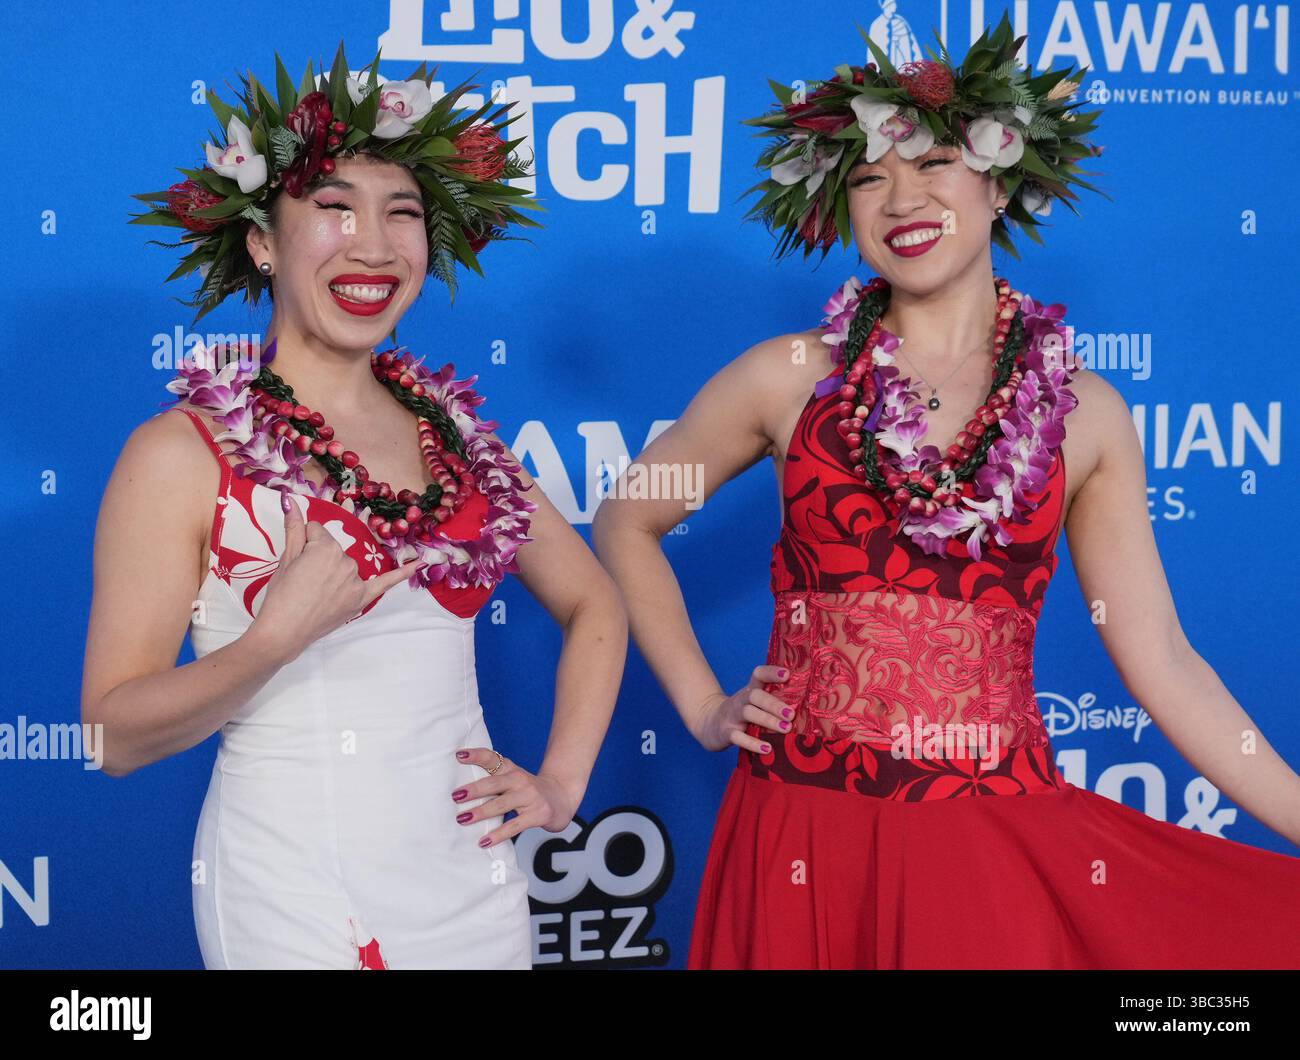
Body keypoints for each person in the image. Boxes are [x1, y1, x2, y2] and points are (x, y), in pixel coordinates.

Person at [592, 16, 1300, 969]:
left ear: (998, 178)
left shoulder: (1087, 415)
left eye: (932, 165)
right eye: (870, 178)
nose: (902, 199)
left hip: (985, 839)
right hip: (799, 833)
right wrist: (701, 702)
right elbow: (629, 518)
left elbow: (1164, 661)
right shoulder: (785, 378)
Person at [82, 45, 627, 969]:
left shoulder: (464, 447)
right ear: (261, 241)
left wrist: (561, 784)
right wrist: (273, 640)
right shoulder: (179, 454)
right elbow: (110, 736)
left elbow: (596, 605)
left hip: (475, 887)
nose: (373, 244)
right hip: (296, 896)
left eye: (401, 214)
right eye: (333, 209)